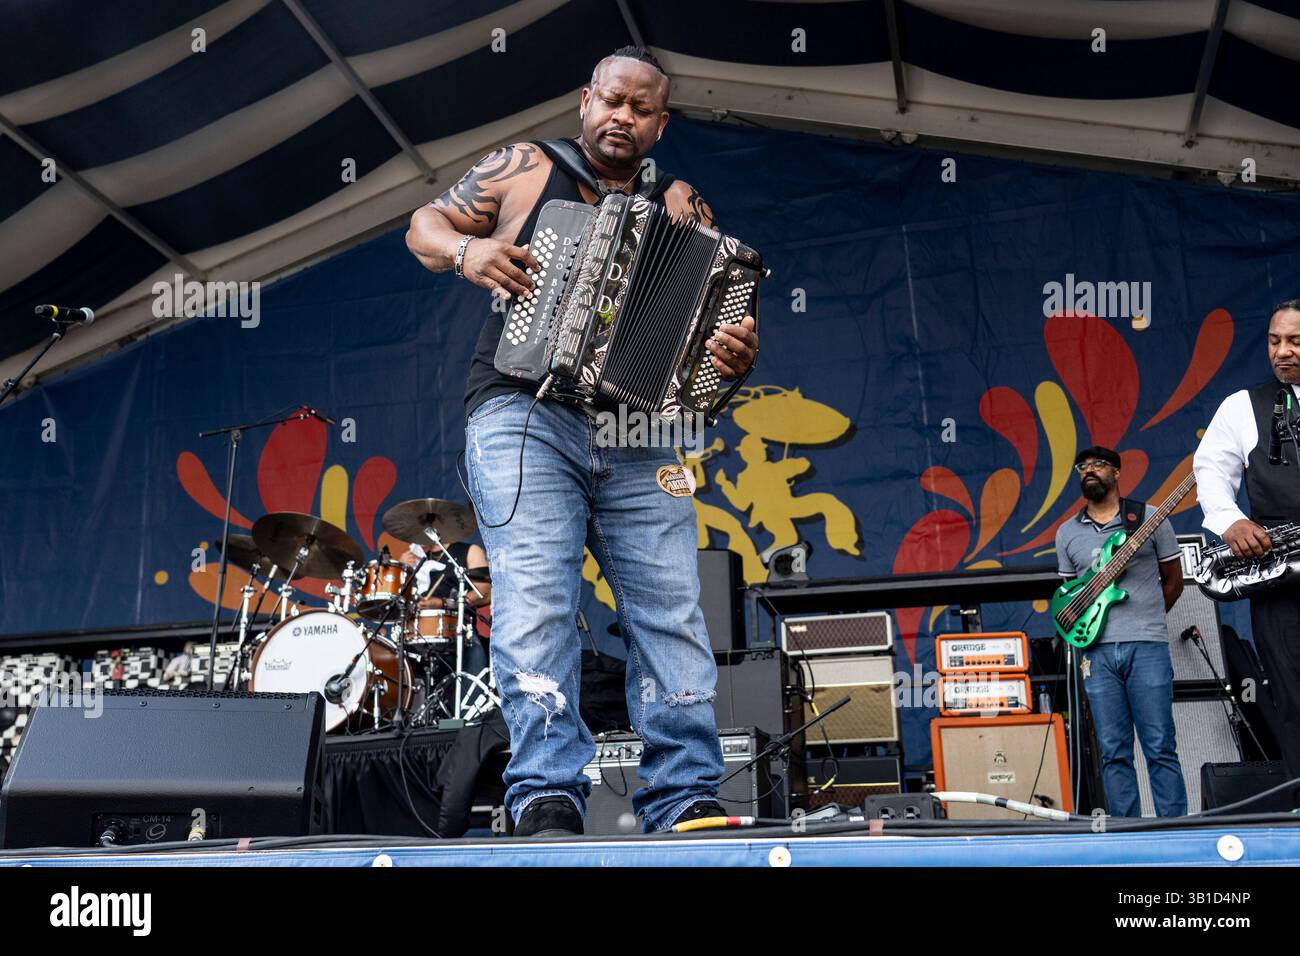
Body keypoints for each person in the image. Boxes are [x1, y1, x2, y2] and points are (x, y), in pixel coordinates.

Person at [405, 46, 758, 836]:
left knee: (671, 610)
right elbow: (423, 227)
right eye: (612, 101)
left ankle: (685, 793)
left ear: (659, 122)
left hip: (640, 428)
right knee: (537, 605)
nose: (622, 117)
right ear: (585, 101)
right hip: (523, 412)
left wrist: (737, 352)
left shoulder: (681, 203)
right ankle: (544, 792)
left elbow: (716, 324)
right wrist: (471, 251)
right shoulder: (524, 166)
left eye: (641, 108)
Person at [1194, 300, 1300, 791]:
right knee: (1292, 691)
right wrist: (1231, 520)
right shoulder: (1241, 405)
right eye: (1275, 341)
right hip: (1279, 570)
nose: (1283, 352)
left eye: (1295, 341)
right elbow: (1210, 471)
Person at [1055, 445, 1187, 816]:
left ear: (1116, 472)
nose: (1088, 470)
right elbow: (1068, 596)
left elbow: (1173, 582)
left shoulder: (1148, 518)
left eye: (1098, 464)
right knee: (1113, 750)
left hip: (1147, 645)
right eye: (1082, 466)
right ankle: (1127, 832)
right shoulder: (1066, 533)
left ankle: (1175, 828)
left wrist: (1145, 620)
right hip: (1095, 652)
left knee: (1160, 744)